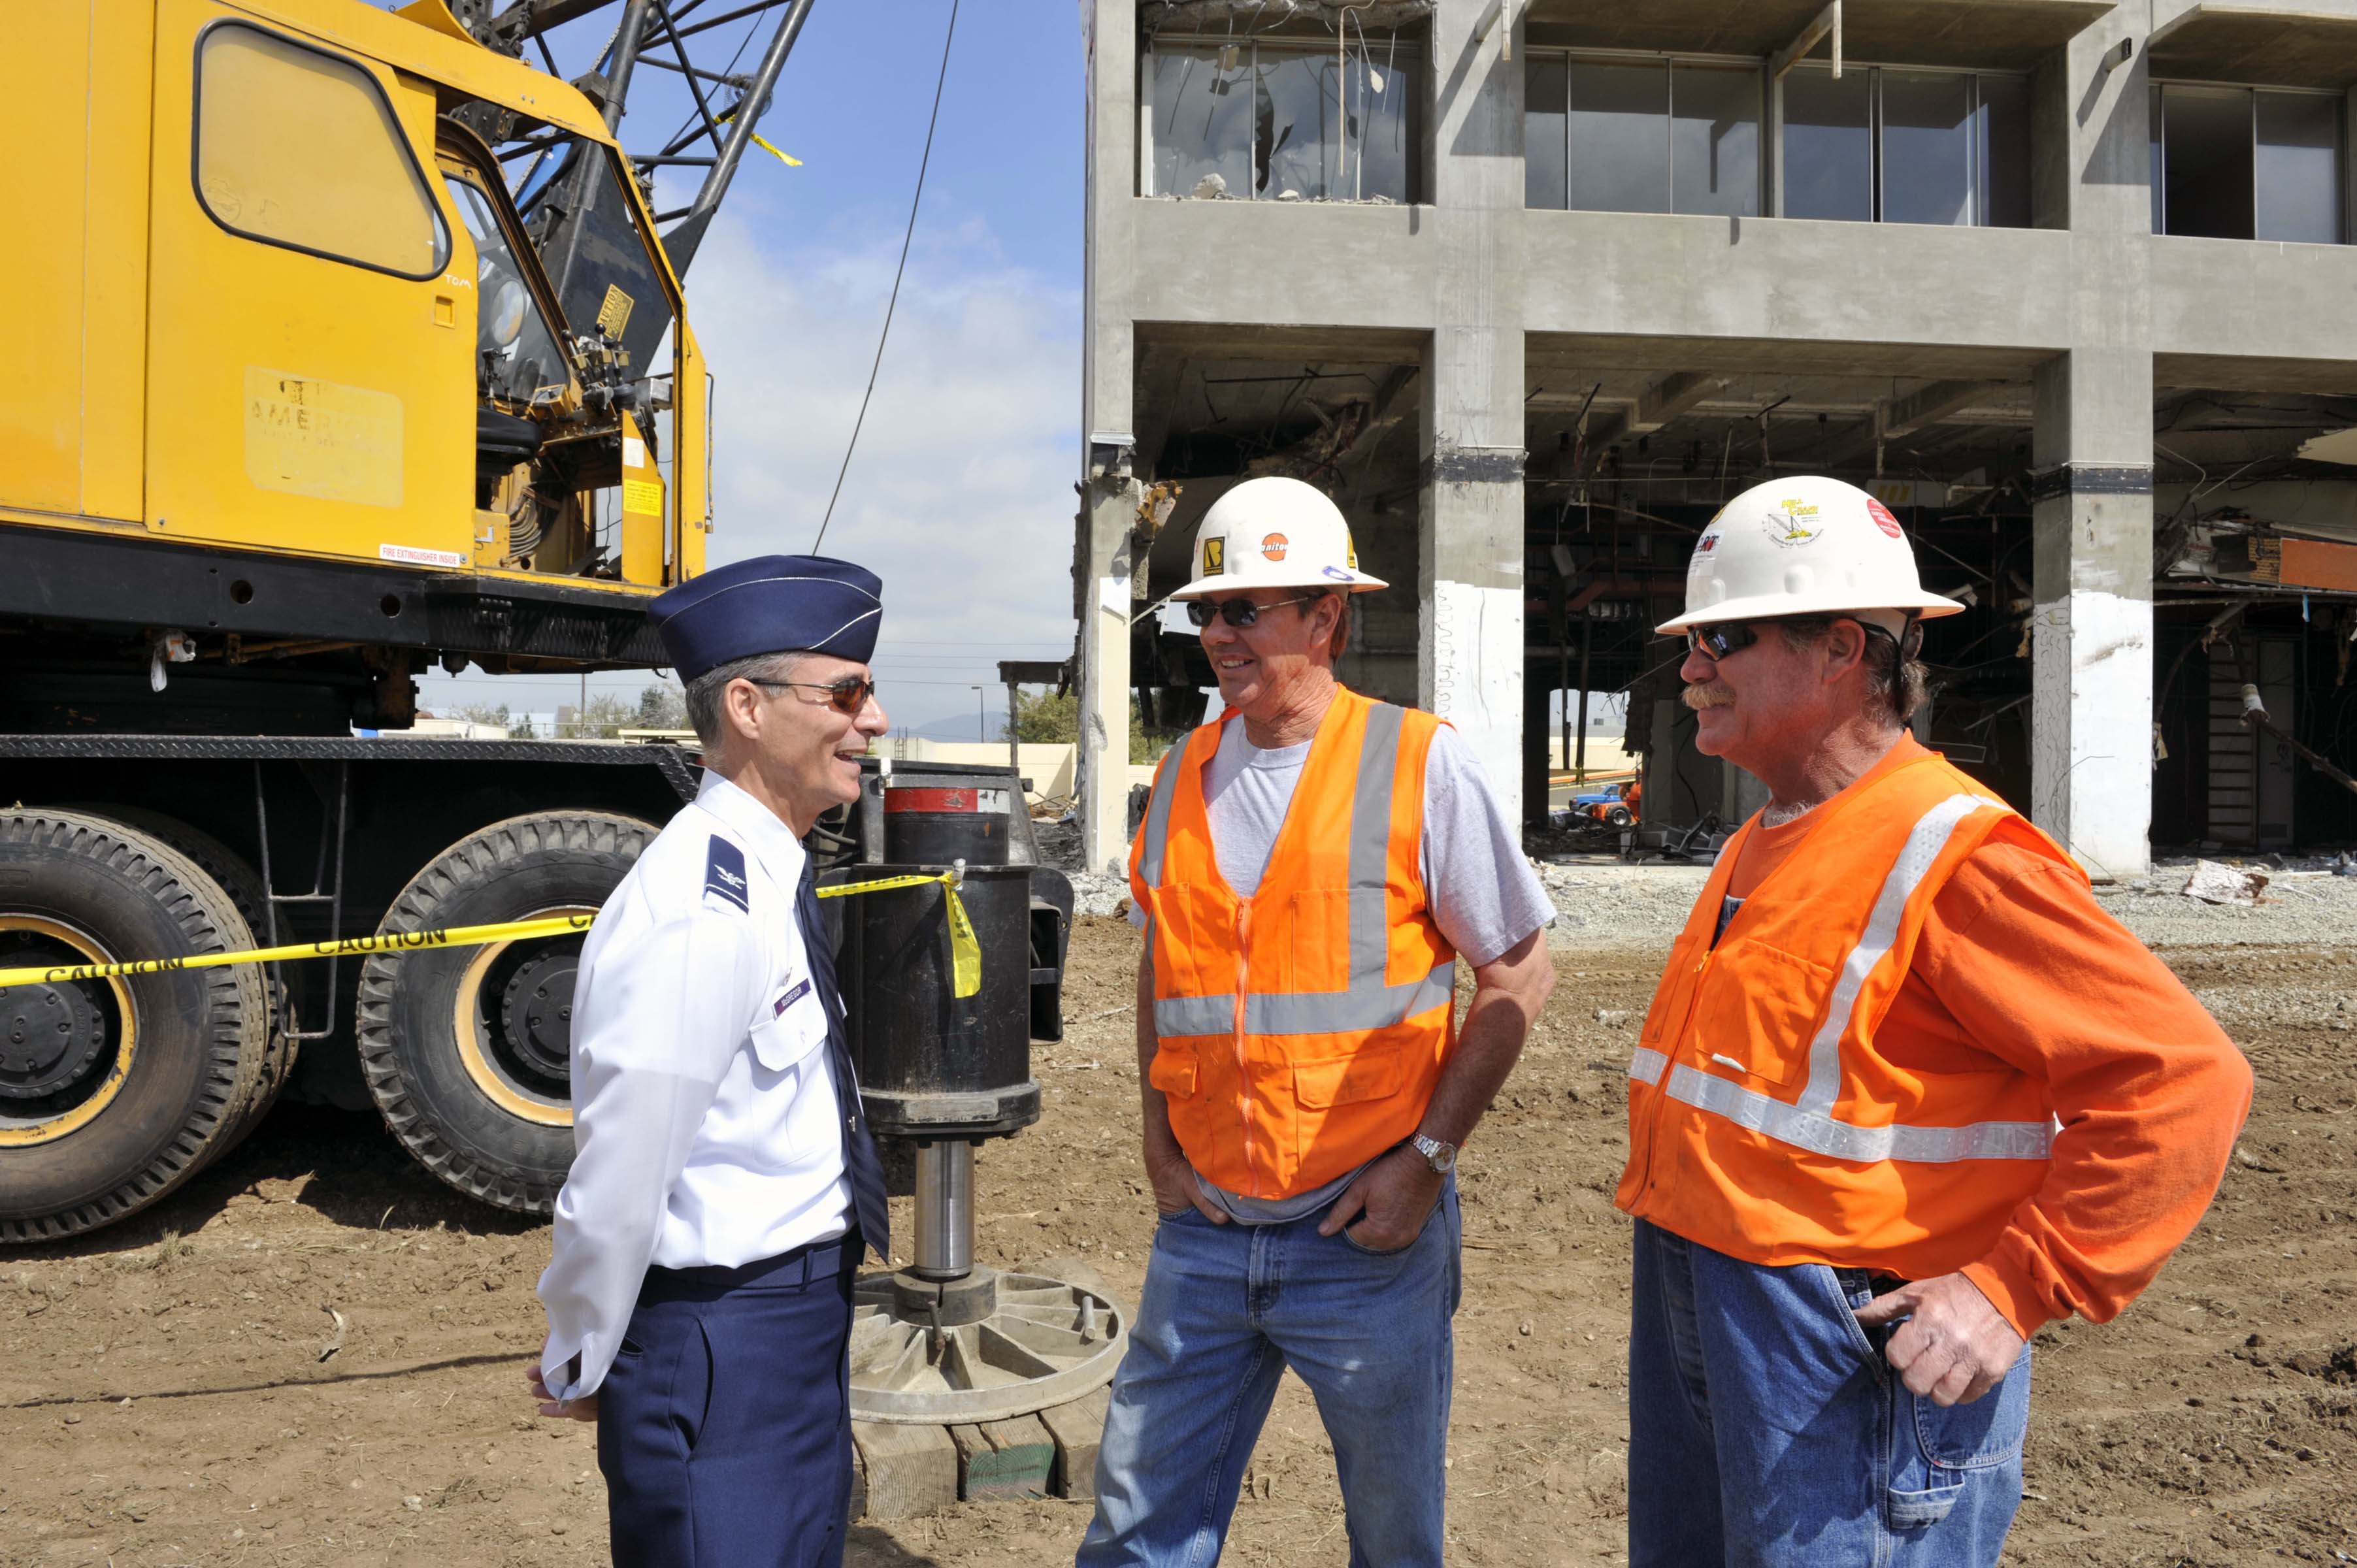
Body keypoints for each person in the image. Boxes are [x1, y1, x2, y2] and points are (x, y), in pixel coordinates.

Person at [1619, 476, 2252, 1566]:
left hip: (1845, 1349)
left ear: (1843, 651)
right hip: (1710, 1298)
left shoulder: (1954, 851)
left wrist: (2012, 1291)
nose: (1690, 668)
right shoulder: (1769, 835)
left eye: (1724, 637)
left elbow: (2183, 1079)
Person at [1078, 477, 1559, 1567]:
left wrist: (1429, 1159)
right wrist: (1157, 1140)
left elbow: (1519, 975)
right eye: (1206, 612)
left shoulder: (1418, 763)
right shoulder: (1182, 773)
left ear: (1326, 618)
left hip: (1364, 1235)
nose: (1216, 634)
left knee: (1393, 1539)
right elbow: (1168, 969)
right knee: (1135, 1534)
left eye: (1246, 609)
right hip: (1201, 1232)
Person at [525, 554, 895, 1568]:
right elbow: (624, 1166)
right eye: (847, 692)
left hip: (791, 1332)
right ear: (747, 706)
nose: (874, 720)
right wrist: (584, 1348)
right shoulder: (700, 907)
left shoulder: (766, 880)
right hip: (721, 1345)